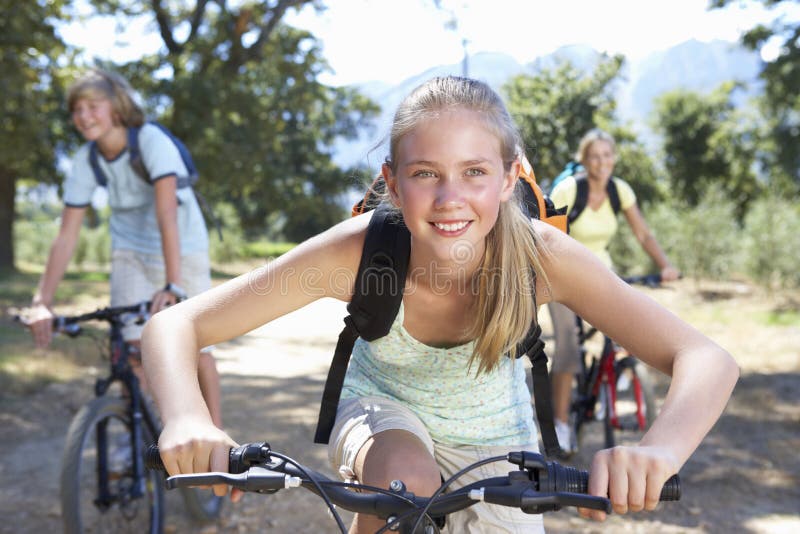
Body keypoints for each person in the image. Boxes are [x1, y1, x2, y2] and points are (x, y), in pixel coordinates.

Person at [141, 76, 737, 532]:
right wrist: (188, 416)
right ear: (394, 183)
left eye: (474, 172)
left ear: (508, 180)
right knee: (408, 485)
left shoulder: (540, 256)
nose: (451, 199)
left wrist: (657, 449)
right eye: (426, 173)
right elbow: (177, 325)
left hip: (501, 439)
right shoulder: (358, 254)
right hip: (383, 411)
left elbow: (705, 358)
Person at [27, 68, 222, 428]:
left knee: (196, 345)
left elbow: (167, 214)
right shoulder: (87, 160)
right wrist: (43, 302)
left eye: (93, 106)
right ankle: (142, 439)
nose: (83, 116)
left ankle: (216, 445)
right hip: (130, 250)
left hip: (183, 245)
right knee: (131, 349)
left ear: (116, 108)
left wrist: (173, 284)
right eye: (77, 109)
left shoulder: (150, 141)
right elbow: (66, 234)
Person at [547, 128, 681, 456]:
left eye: (607, 155)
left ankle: (611, 380)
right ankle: (560, 423)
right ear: (584, 159)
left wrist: (665, 265)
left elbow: (643, 233)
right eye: (595, 156)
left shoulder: (619, 191)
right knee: (567, 346)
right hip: (562, 276)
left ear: (614, 158)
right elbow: (546, 231)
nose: (602, 162)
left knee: (630, 328)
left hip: (601, 274)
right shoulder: (568, 189)